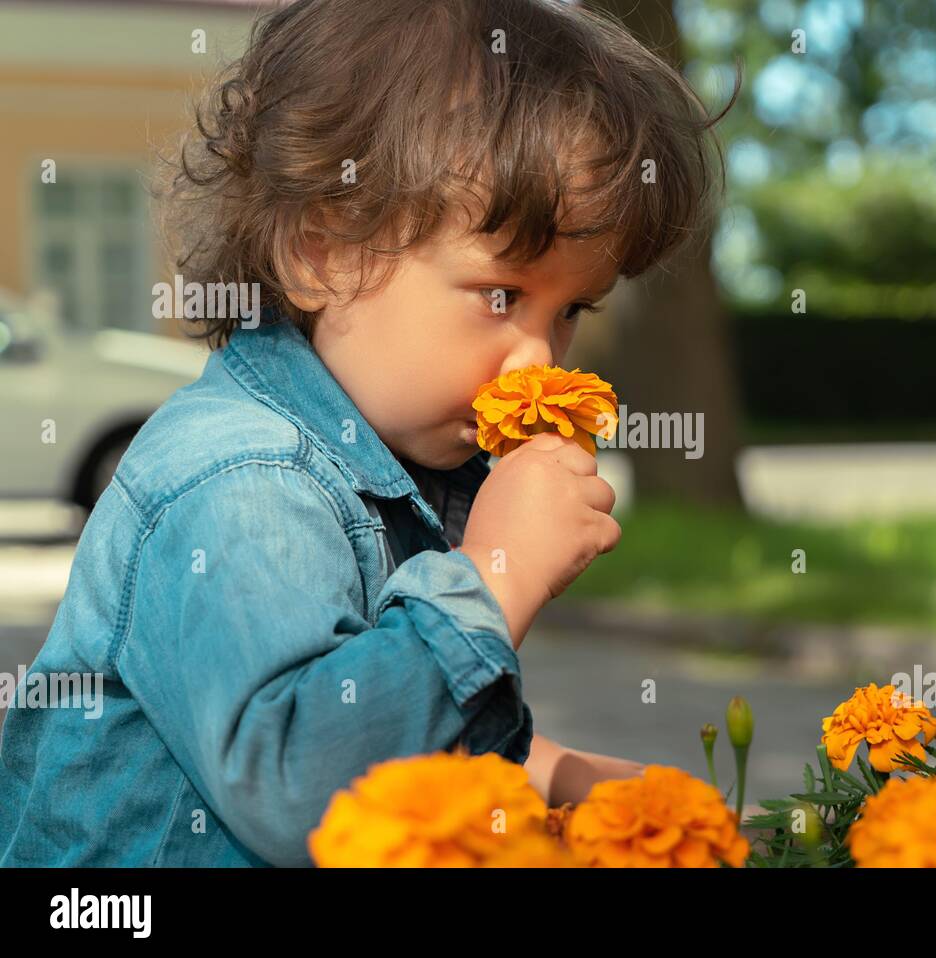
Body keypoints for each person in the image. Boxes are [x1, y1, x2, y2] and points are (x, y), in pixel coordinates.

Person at [0, 0, 733, 866]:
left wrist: (560, 778)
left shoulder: (402, 464)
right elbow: (308, 787)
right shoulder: (241, 481)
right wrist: (493, 581)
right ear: (323, 254)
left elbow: (399, 738)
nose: (535, 362)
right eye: (501, 296)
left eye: (570, 309)